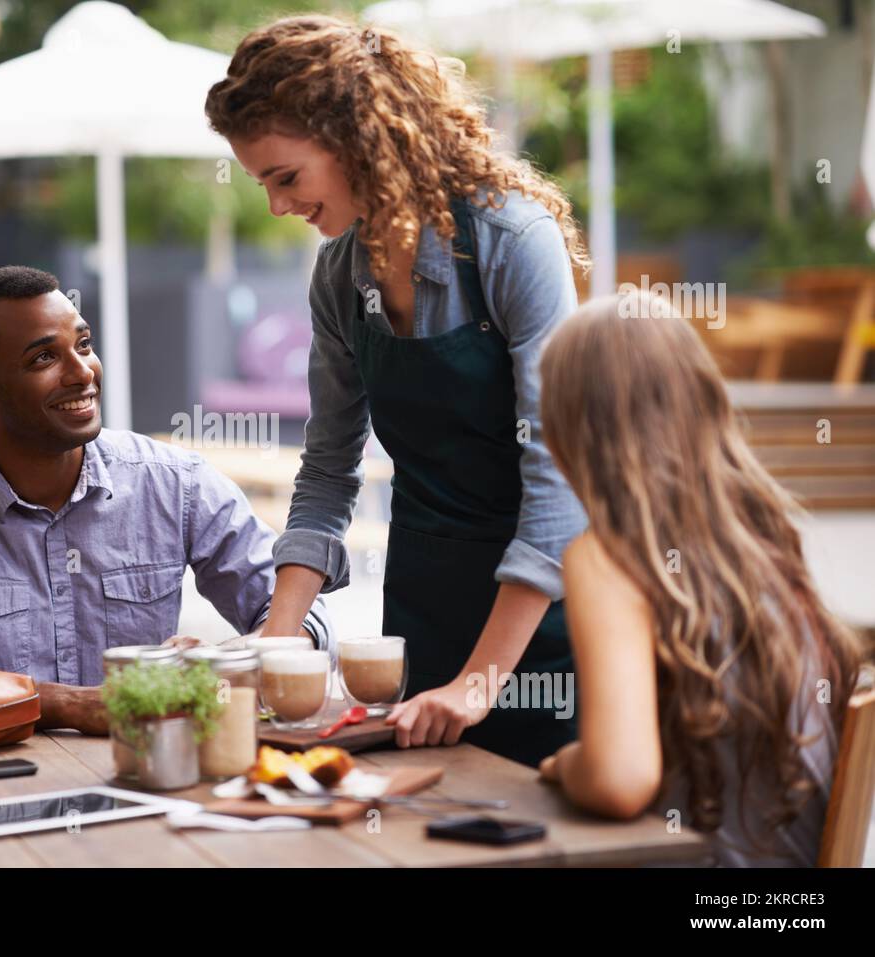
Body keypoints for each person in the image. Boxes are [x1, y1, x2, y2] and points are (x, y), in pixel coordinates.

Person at [205, 15, 589, 764]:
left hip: (546, 627)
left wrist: (481, 683)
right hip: (427, 612)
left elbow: (560, 473)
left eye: (286, 178)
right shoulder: (340, 276)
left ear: (356, 141)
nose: (277, 207)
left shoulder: (513, 244)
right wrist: (273, 643)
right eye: (262, 184)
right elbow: (327, 468)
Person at [0, 266, 332, 729]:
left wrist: (212, 663)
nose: (82, 372)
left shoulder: (175, 482)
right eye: (44, 358)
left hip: (150, 772)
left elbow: (302, 621)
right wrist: (74, 704)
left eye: (83, 345)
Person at [536, 292, 867, 866]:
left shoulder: (608, 557)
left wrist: (567, 763)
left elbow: (620, 778)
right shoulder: (757, 541)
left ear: (572, 434)